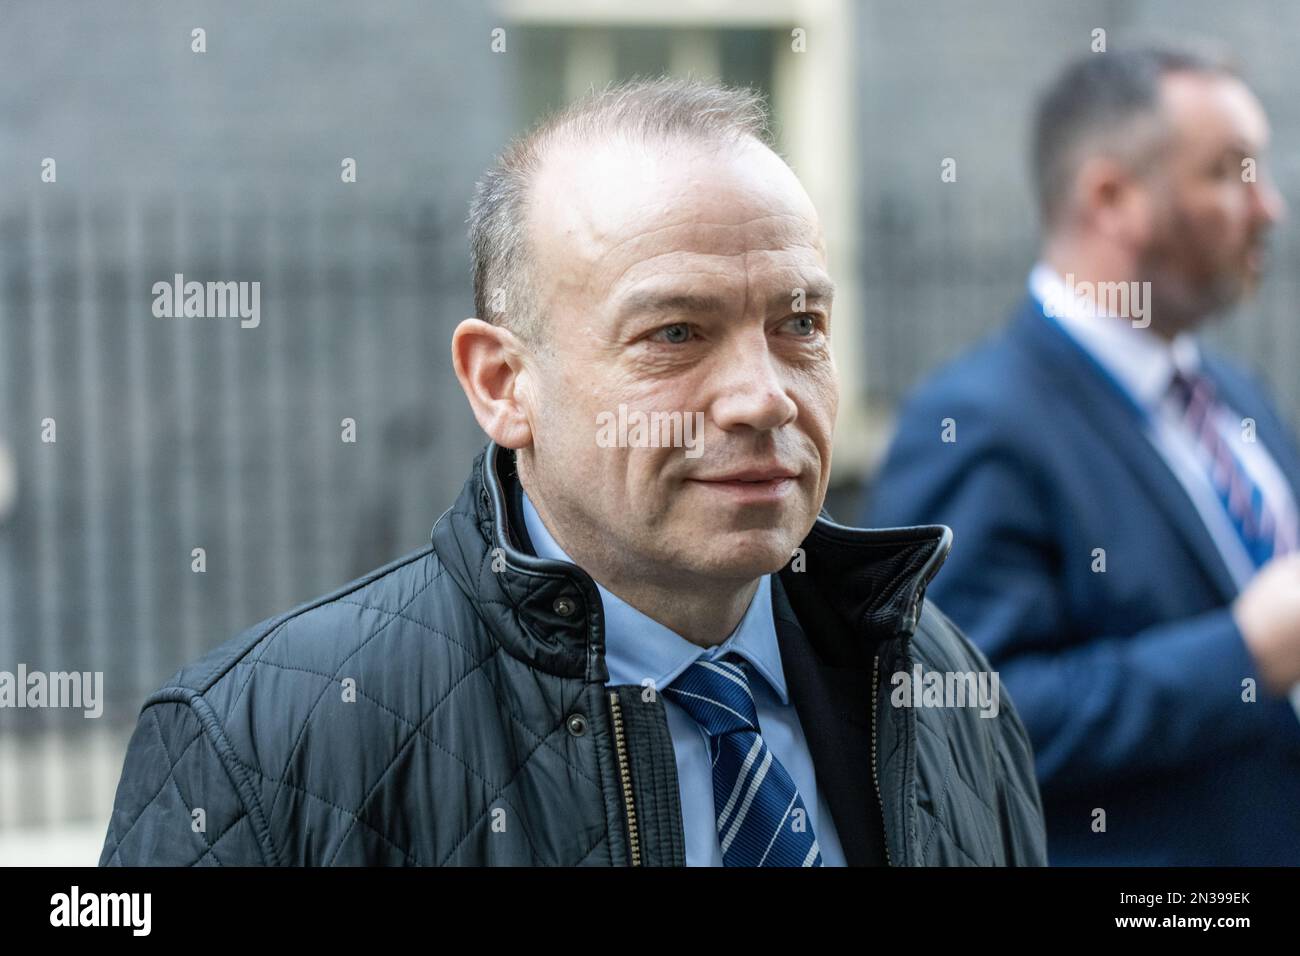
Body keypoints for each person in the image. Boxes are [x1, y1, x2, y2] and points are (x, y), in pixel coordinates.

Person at [100, 76, 1046, 867]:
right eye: (676, 333)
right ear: (504, 384)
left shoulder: (943, 687)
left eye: (799, 326)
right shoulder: (260, 753)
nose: (762, 397)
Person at [865, 48, 1300, 864]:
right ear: (1112, 197)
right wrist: (1246, 653)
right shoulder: (974, 421)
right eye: (1229, 173)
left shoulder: (1236, 396)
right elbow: (957, 718)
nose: (1268, 206)